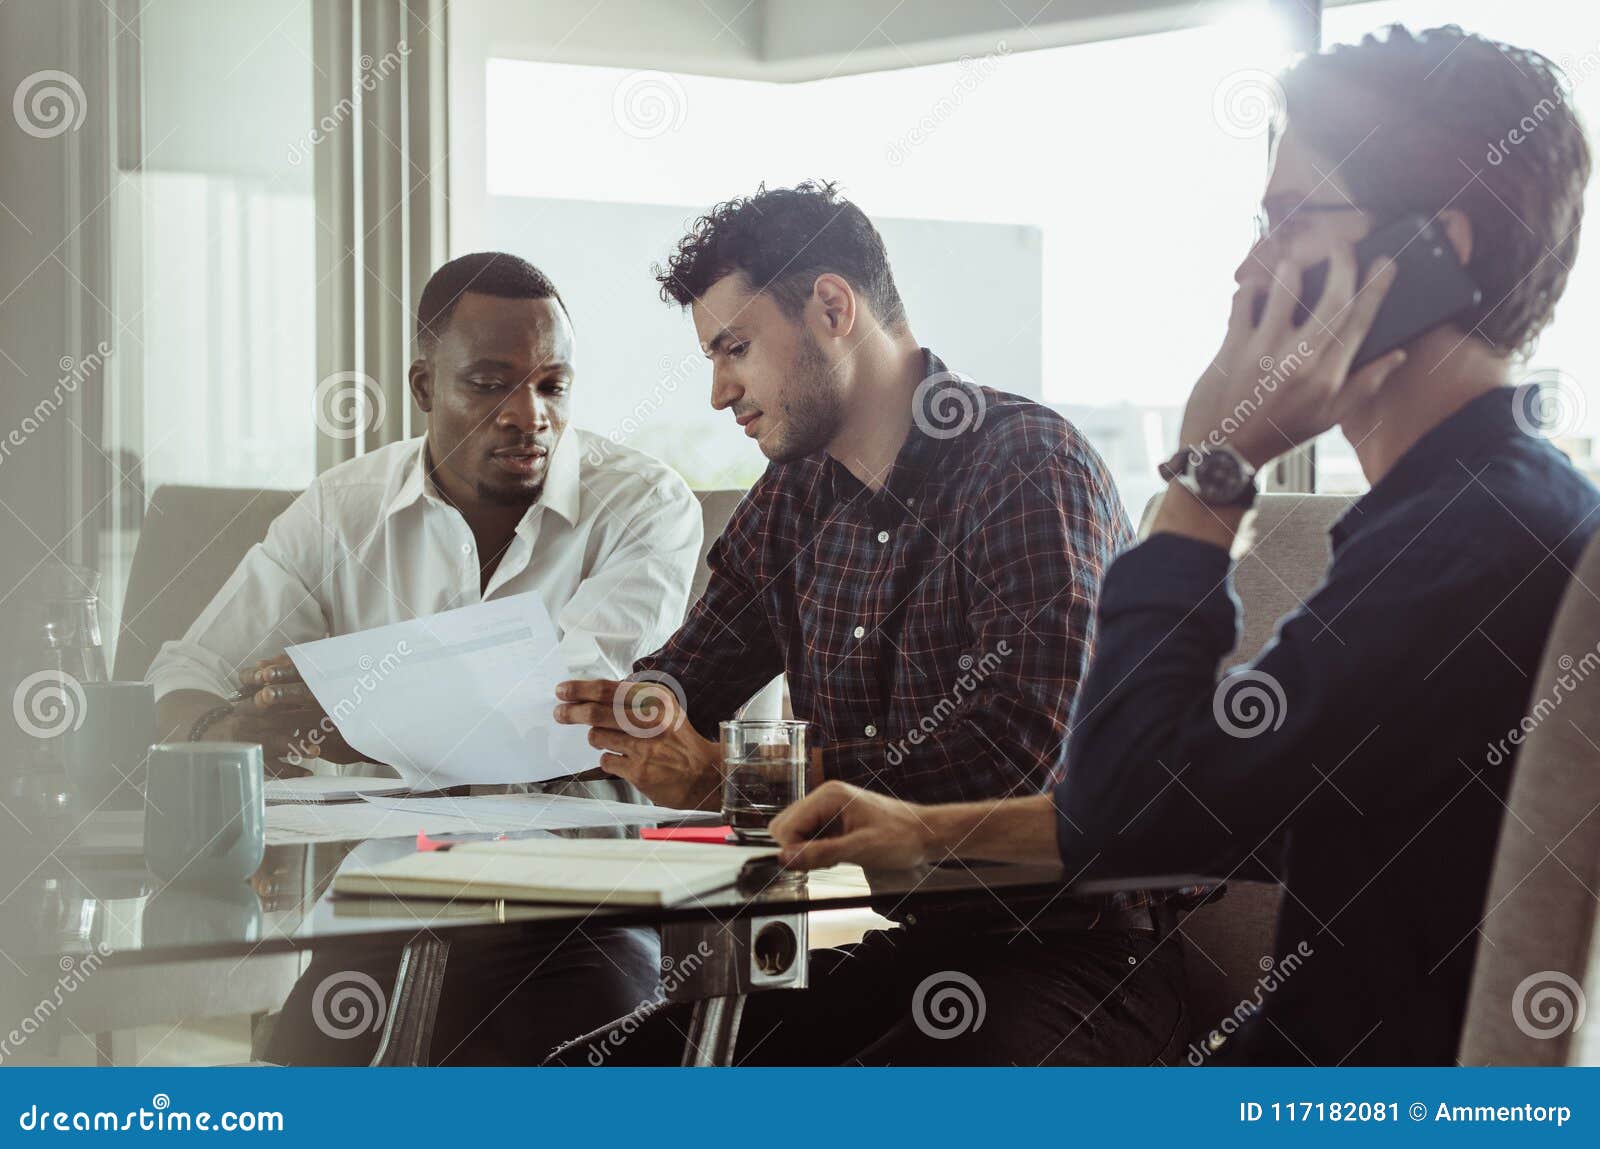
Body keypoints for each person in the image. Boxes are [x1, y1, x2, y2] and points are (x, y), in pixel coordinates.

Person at [768, 25, 1600, 1066]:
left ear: (1434, 250)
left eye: (1289, 219)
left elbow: (1132, 805)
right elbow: (1220, 802)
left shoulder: (1465, 544)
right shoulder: (1501, 505)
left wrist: (1211, 474)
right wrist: (929, 832)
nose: (1250, 264)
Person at [550, 181, 1190, 1065]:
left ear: (831, 307)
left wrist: (733, 781)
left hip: (1075, 953)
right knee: (600, 1080)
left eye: (734, 347)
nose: (718, 389)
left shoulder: (1028, 466)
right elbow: (695, 669)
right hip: (914, 943)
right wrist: (633, 708)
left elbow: (1020, 756)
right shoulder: (796, 495)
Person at [147, 251, 703, 1064]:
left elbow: (564, 697)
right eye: (489, 383)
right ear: (421, 387)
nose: (529, 415)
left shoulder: (646, 506)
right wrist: (233, 734)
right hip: (386, 897)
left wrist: (352, 715)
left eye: (552, 385)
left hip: (586, 899)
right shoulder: (344, 509)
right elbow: (189, 671)